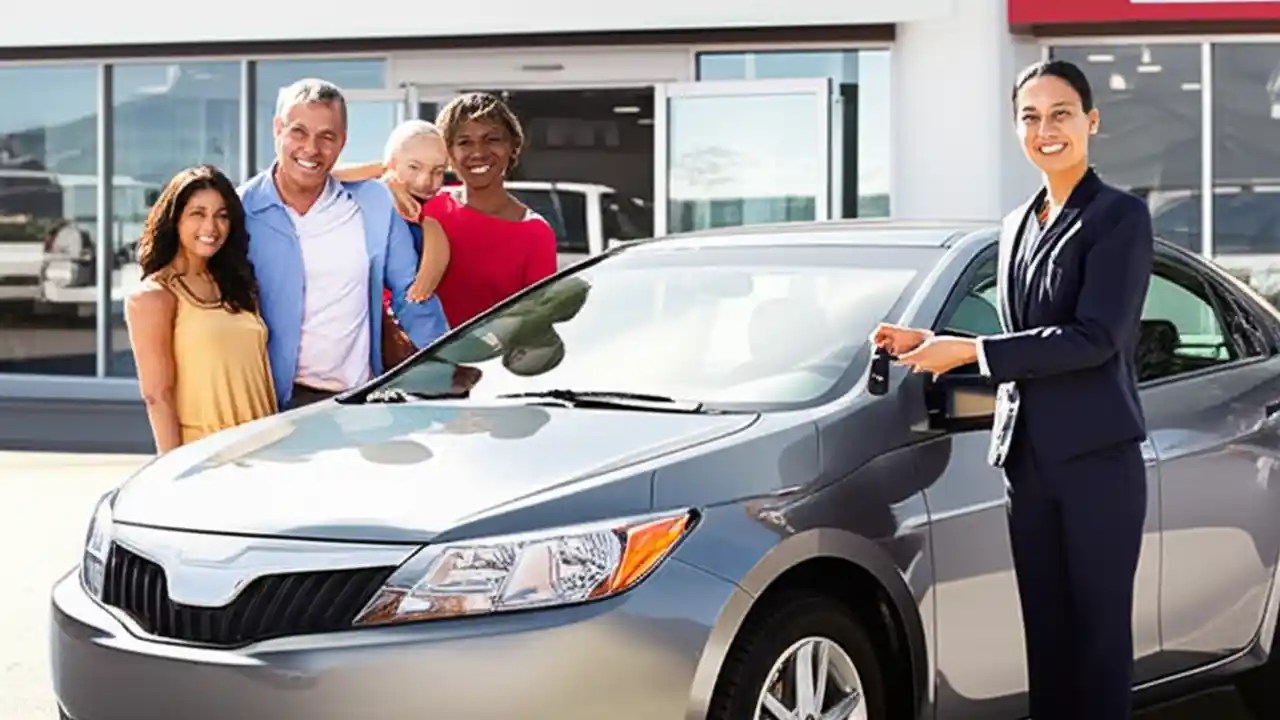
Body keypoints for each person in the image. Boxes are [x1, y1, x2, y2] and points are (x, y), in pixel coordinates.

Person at [873, 59, 1154, 720]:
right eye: (1030, 117)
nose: (1045, 130)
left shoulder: (1119, 217)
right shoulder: (1015, 224)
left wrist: (971, 353)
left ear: (1091, 121)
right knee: (1047, 642)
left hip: (1098, 464)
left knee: (1097, 645)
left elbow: (1095, 337)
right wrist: (929, 341)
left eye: (1060, 114)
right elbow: (1023, 337)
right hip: (1027, 463)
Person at [238, 78, 449, 410]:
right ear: (277, 129)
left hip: (358, 401)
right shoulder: (240, 211)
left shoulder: (374, 204)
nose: (311, 149)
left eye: (327, 137)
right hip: (270, 405)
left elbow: (413, 299)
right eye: (298, 132)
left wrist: (448, 369)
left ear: (342, 142)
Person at [125, 164, 276, 452]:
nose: (211, 227)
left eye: (222, 215)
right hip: (208, 454)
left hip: (264, 449)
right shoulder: (155, 296)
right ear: (175, 219)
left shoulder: (238, 285)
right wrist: (172, 468)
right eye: (198, 213)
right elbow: (158, 396)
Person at [385, 92, 558, 328]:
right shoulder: (426, 205)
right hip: (410, 350)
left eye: (492, 139)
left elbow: (537, 321)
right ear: (447, 152)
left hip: (490, 352)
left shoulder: (536, 234)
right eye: (464, 142)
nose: (478, 153)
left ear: (513, 146)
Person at [333, 119, 452, 304]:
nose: (425, 181)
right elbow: (326, 177)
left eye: (437, 171)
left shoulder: (436, 212)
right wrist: (385, 178)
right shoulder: (363, 198)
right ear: (392, 164)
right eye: (414, 167)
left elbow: (421, 290)